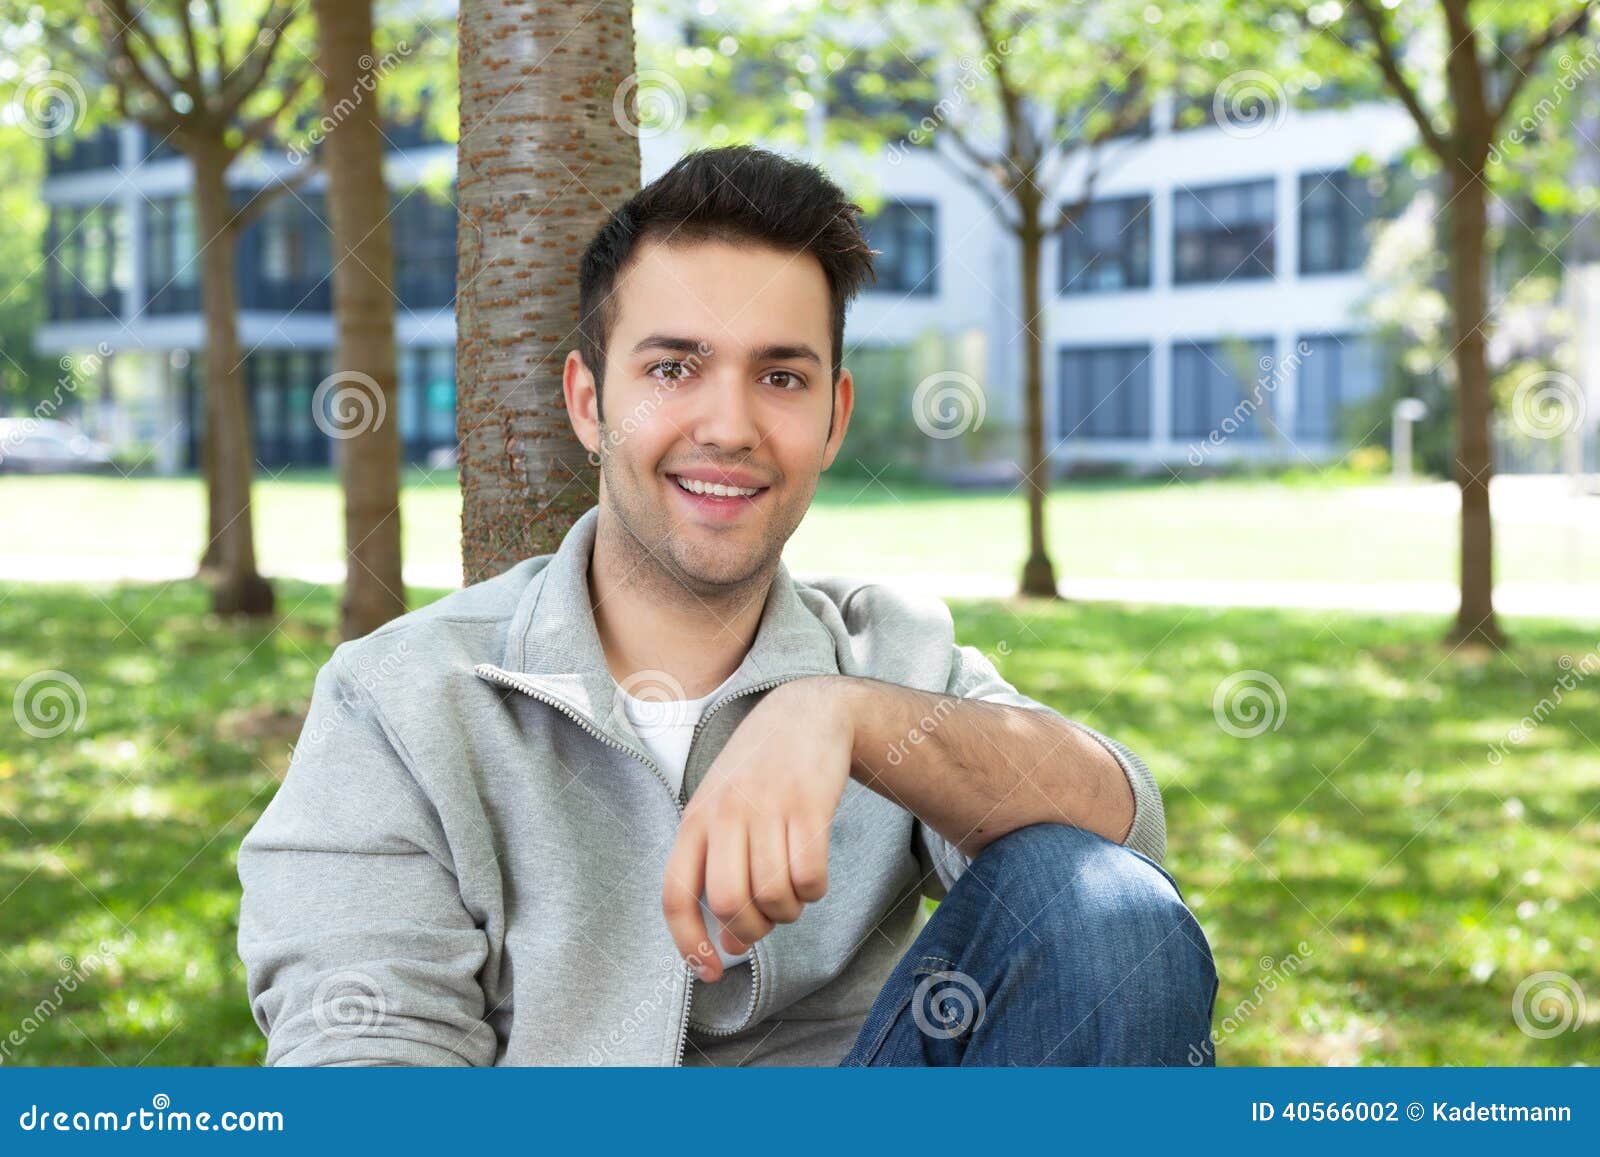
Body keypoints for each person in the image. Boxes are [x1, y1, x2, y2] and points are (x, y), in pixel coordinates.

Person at [236, 144, 1217, 1067]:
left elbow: (1121, 846)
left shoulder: (890, 654)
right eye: (673, 368)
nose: (729, 424)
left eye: (779, 376)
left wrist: (840, 715)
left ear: (832, 417)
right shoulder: (400, 701)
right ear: (587, 401)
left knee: (1105, 912)